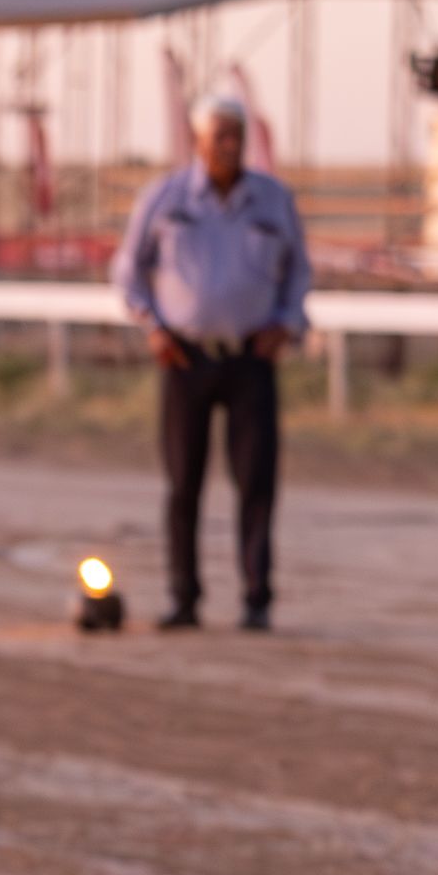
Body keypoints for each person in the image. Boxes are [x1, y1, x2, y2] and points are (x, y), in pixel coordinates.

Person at [110, 94, 310, 633]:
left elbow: (299, 272)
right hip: (185, 356)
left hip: (250, 359)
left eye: (236, 136)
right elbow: (128, 272)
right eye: (219, 136)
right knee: (184, 483)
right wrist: (152, 327)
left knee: (257, 481)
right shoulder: (165, 197)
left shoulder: (272, 200)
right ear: (197, 141)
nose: (229, 146)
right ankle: (184, 597)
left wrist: (287, 322)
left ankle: (257, 597)